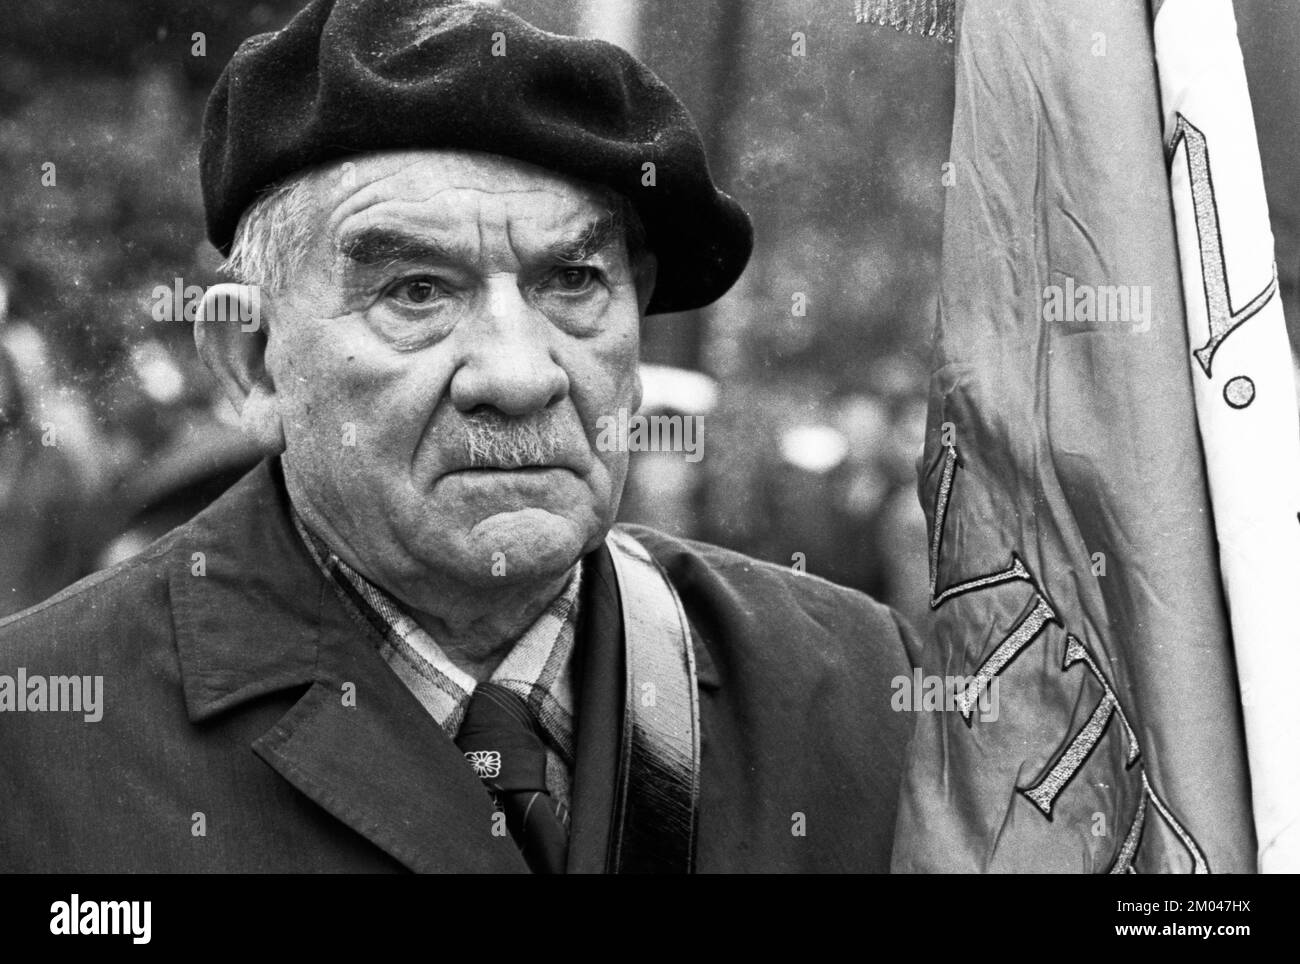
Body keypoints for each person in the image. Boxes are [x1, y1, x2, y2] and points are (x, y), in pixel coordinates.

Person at [0, 0, 916, 873]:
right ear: (254, 361)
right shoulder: (39, 743)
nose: (519, 378)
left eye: (572, 280)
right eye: (418, 292)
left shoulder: (849, 691)